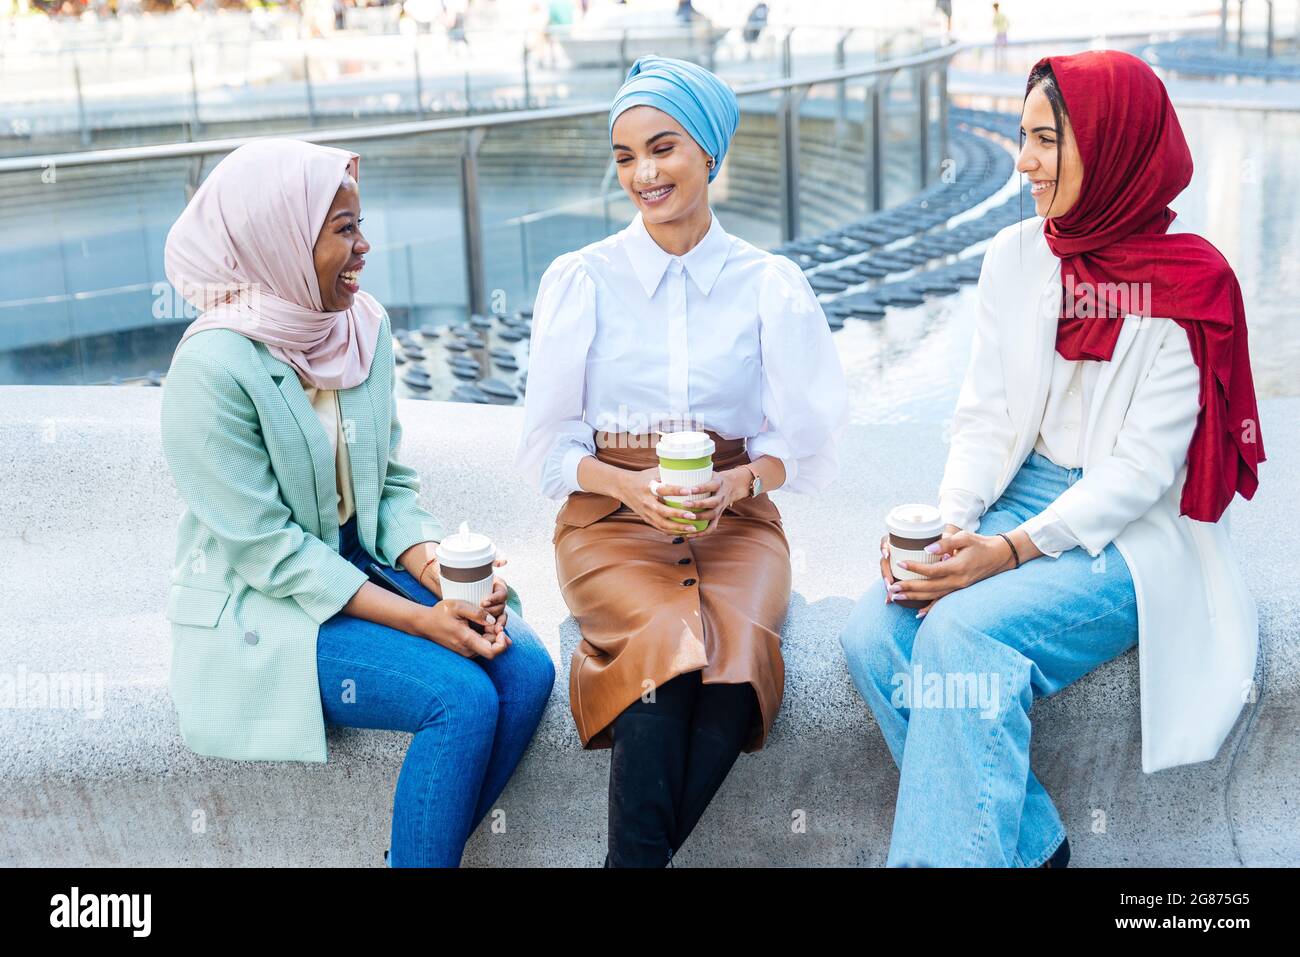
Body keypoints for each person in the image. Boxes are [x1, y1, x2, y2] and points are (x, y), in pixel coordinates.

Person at [838, 50, 1264, 868]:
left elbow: (1141, 474)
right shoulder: (1017, 255)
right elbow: (987, 414)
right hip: (1017, 492)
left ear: (1110, 147)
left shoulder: (1191, 286)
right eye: (1023, 136)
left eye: (1043, 140)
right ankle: (1032, 849)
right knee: (873, 628)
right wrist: (950, 531)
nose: (1022, 161)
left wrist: (1004, 553)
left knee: (962, 631)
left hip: (1134, 532)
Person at [160, 138, 554, 867]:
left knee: (525, 667)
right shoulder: (210, 369)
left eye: (359, 224)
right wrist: (424, 620)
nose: (365, 245)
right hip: (266, 602)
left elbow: (388, 487)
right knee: (460, 698)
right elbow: (269, 552)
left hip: (364, 564)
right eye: (343, 229)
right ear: (280, 238)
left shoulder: (359, 326)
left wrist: (439, 571)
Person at [516, 55, 849, 867]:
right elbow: (547, 446)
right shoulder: (581, 280)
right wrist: (626, 486)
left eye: (662, 148)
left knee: (735, 676)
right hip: (608, 520)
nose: (643, 173)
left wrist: (742, 480)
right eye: (625, 156)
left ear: (710, 153)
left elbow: (796, 443)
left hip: (737, 522)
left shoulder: (768, 284)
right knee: (660, 667)